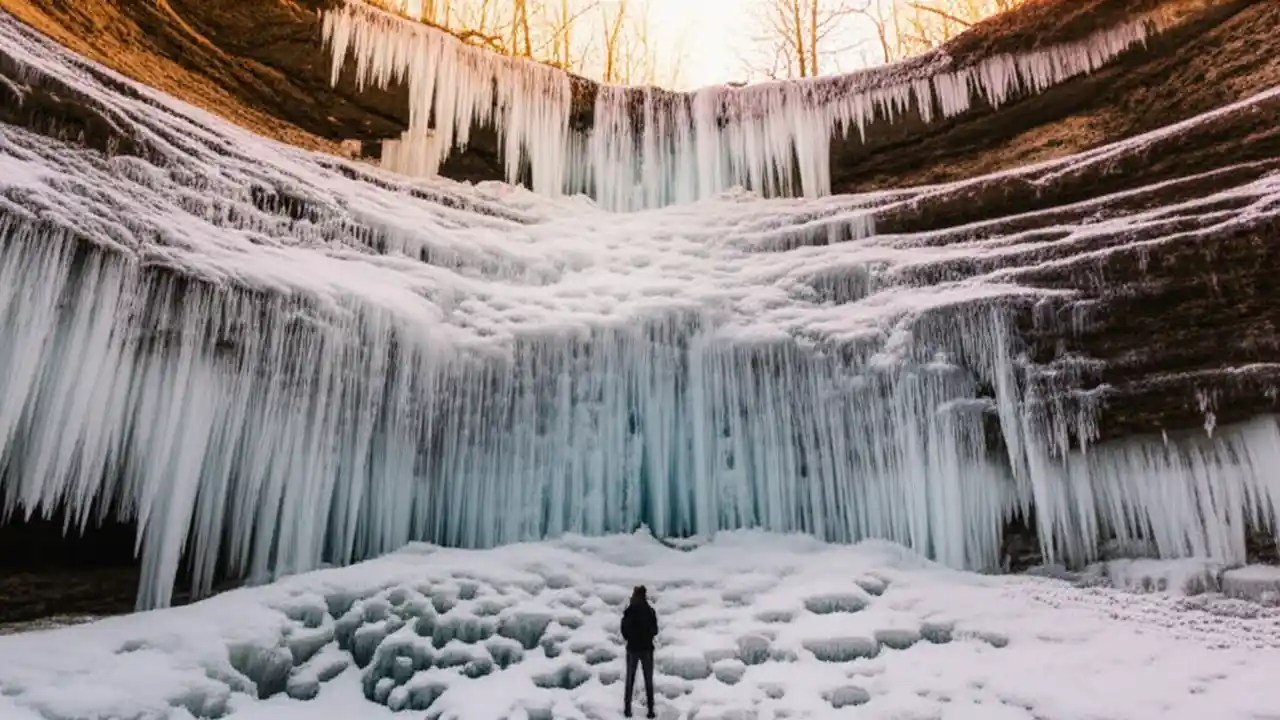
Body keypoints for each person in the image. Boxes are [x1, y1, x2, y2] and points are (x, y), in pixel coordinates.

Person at [620, 585, 658, 718]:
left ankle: (627, 709)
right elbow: (655, 630)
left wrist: (631, 638)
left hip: (632, 649)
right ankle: (651, 710)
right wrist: (647, 636)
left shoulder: (630, 611)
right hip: (647, 649)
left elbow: (624, 629)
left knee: (630, 680)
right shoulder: (650, 611)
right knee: (648, 681)